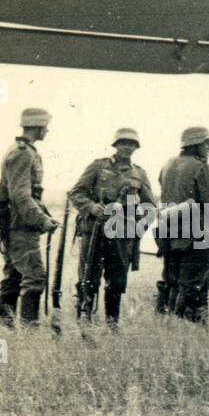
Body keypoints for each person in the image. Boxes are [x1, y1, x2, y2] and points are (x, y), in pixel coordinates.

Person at [69, 128, 157, 328]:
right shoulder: (98, 167)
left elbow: (150, 206)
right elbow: (76, 193)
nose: (127, 147)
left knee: (117, 281)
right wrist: (92, 207)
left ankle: (112, 324)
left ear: (136, 147)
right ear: (115, 145)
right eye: (123, 143)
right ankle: (84, 320)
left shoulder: (139, 174)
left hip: (122, 234)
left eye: (131, 144)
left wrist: (135, 225)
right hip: (94, 231)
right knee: (88, 278)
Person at [0, 108, 59, 328]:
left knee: (14, 275)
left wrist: (45, 216)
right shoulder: (23, 153)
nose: (48, 131)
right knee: (34, 276)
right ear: (38, 126)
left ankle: (6, 328)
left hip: (18, 224)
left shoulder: (23, 151)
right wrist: (41, 220)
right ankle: (29, 333)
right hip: (22, 226)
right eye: (46, 126)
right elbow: (20, 195)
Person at [157, 126, 209, 323]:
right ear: (196, 145)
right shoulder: (201, 167)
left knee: (171, 280)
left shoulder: (167, 166)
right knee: (195, 284)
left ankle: (163, 322)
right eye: (207, 143)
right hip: (197, 234)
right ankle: (189, 326)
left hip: (170, 234)